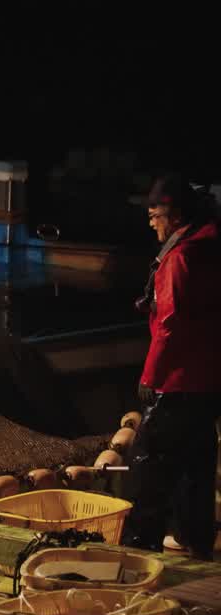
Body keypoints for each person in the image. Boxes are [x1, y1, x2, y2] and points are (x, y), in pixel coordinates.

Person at [120, 174, 221, 560]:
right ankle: (194, 539)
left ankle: (137, 546)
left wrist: (150, 376)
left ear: (175, 215)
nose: (150, 222)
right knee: (196, 460)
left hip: (178, 379)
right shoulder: (210, 247)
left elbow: (170, 324)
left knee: (148, 461)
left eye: (154, 214)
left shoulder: (180, 257)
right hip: (208, 379)